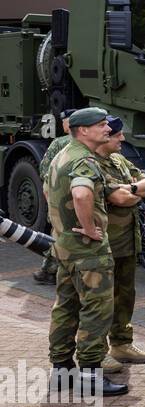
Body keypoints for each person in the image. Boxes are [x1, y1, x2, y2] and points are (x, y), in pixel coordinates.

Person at [46, 107, 128, 396]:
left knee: (65, 308)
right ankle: (91, 378)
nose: (107, 129)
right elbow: (81, 194)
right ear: (83, 130)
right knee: (96, 310)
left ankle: (62, 372)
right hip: (88, 251)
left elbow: (49, 193)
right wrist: (90, 228)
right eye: (102, 125)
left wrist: (64, 227)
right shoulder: (84, 160)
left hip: (65, 247)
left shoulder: (61, 155)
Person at [94, 116, 145, 365]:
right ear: (104, 137)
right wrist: (132, 191)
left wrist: (130, 190)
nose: (122, 138)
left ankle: (122, 344)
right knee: (100, 299)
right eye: (117, 135)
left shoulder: (118, 160)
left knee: (126, 294)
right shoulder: (93, 163)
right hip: (103, 242)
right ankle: (97, 352)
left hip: (128, 240)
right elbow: (119, 199)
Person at [34, 109, 76, 284]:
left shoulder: (59, 143)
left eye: (64, 121)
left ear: (69, 123)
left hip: (61, 197)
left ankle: (49, 270)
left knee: (58, 232)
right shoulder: (92, 142)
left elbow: (44, 169)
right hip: (84, 195)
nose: (62, 124)